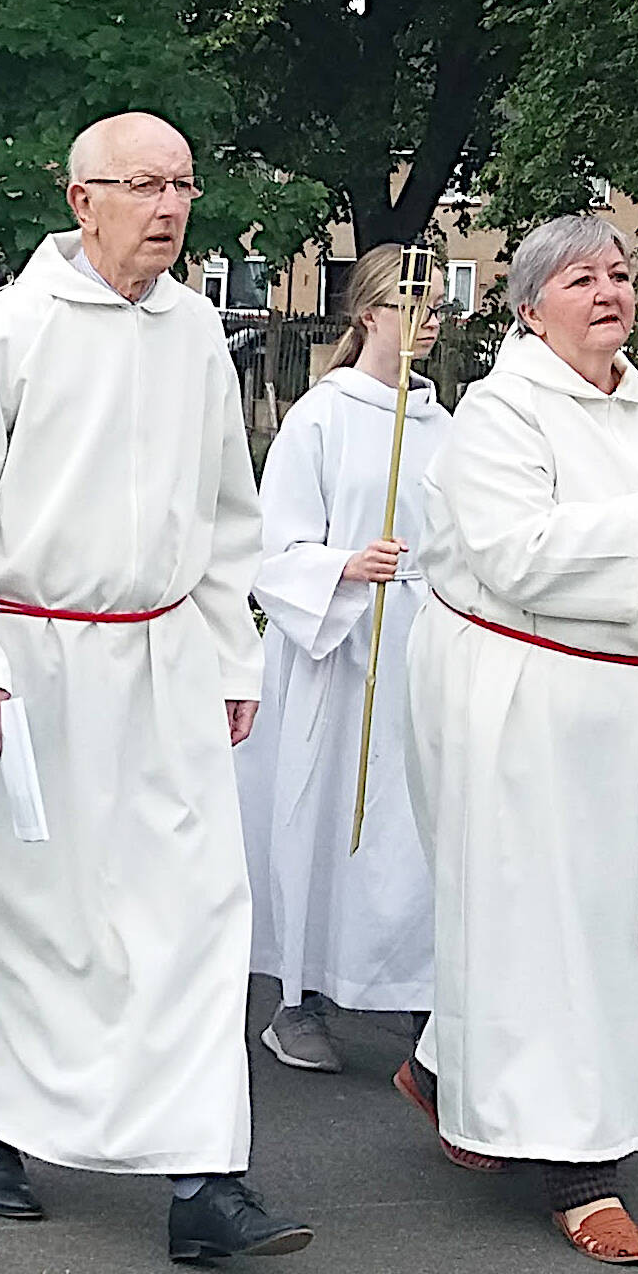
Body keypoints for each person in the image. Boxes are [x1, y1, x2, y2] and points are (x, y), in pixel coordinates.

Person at [0, 111, 310, 1268]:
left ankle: (205, 1173)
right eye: (142, 185)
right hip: (31, 660)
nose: (168, 207)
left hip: (161, 657)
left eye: (182, 185)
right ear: (81, 200)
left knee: (195, 908)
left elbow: (226, 514)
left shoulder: (195, 331)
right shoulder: (14, 329)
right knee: (34, 912)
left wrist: (229, 654)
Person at [400, 214, 638, 1267]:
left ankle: (443, 1064)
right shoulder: (497, 413)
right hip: (525, 691)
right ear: (526, 307)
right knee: (537, 917)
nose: (606, 290)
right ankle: (573, 1164)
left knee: (614, 922)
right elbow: (513, 556)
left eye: (618, 273)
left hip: (635, 696)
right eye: (577, 277)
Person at [234, 245, 449, 1078]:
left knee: (413, 822)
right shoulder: (322, 417)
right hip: (338, 651)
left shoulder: (446, 425)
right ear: (369, 315)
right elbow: (273, 541)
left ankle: (419, 990)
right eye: (413, 305)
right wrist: (342, 568)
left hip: (420, 648)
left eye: (435, 309)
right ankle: (300, 998)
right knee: (324, 814)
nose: (428, 322)